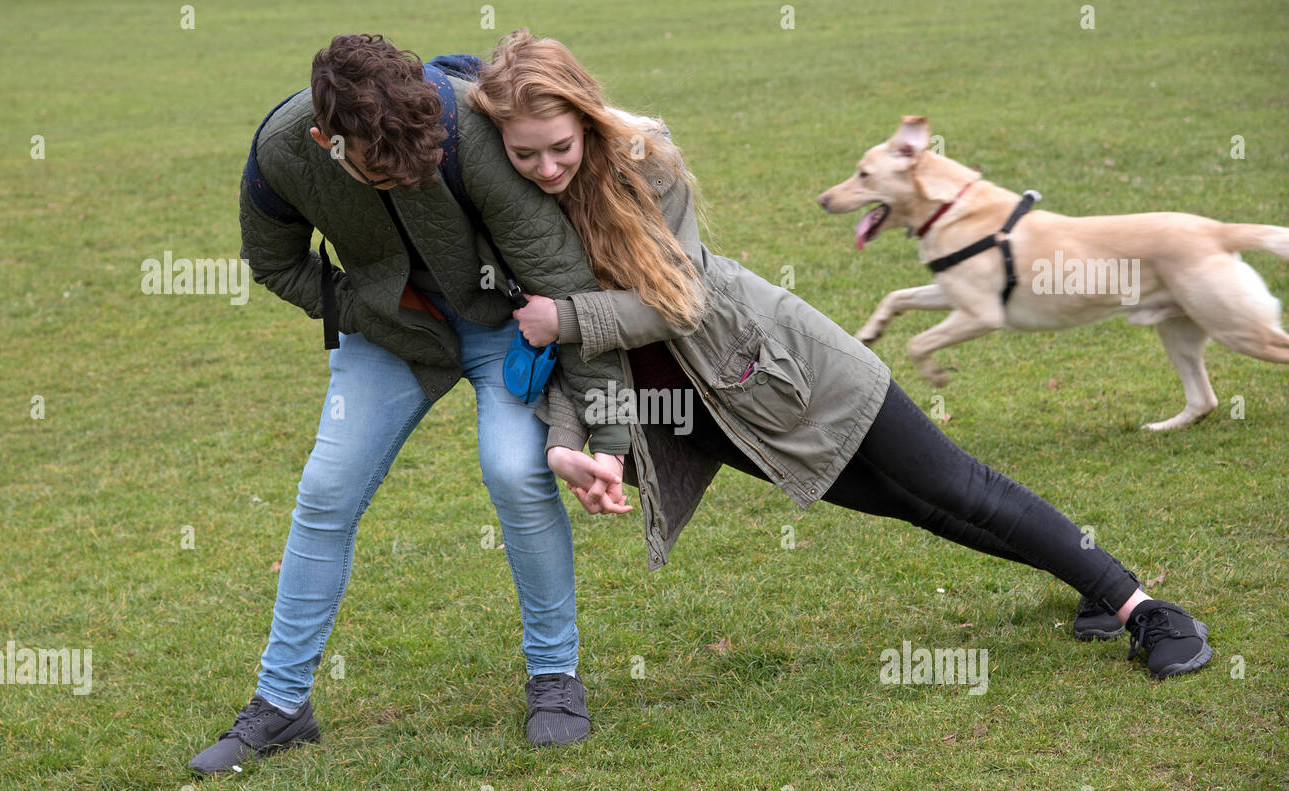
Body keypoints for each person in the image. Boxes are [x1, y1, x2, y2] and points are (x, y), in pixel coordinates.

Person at [466, 29, 1213, 681]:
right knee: (920, 508)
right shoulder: (522, 214)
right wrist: (568, 438)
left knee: (957, 483)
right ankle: (1087, 579)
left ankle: (1146, 610)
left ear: (588, 121)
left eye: (560, 147)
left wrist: (564, 315)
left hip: (787, 365)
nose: (547, 167)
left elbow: (678, 300)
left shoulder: (642, 168)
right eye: (524, 153)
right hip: (716, 419)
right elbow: (564, 351)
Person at [189, 34, 634, 775]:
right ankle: (280, 706)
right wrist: (362, 307)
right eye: (382, 165)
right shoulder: (280, 152)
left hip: (501, 327)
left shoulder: (461, 127)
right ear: (326, 142)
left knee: (515, 472)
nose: (411, 171)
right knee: (325, 491)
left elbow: (569, 286)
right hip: (389, 332)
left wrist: (609, 438)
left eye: (422, 154)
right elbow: (271, 261)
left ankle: (555, 680)